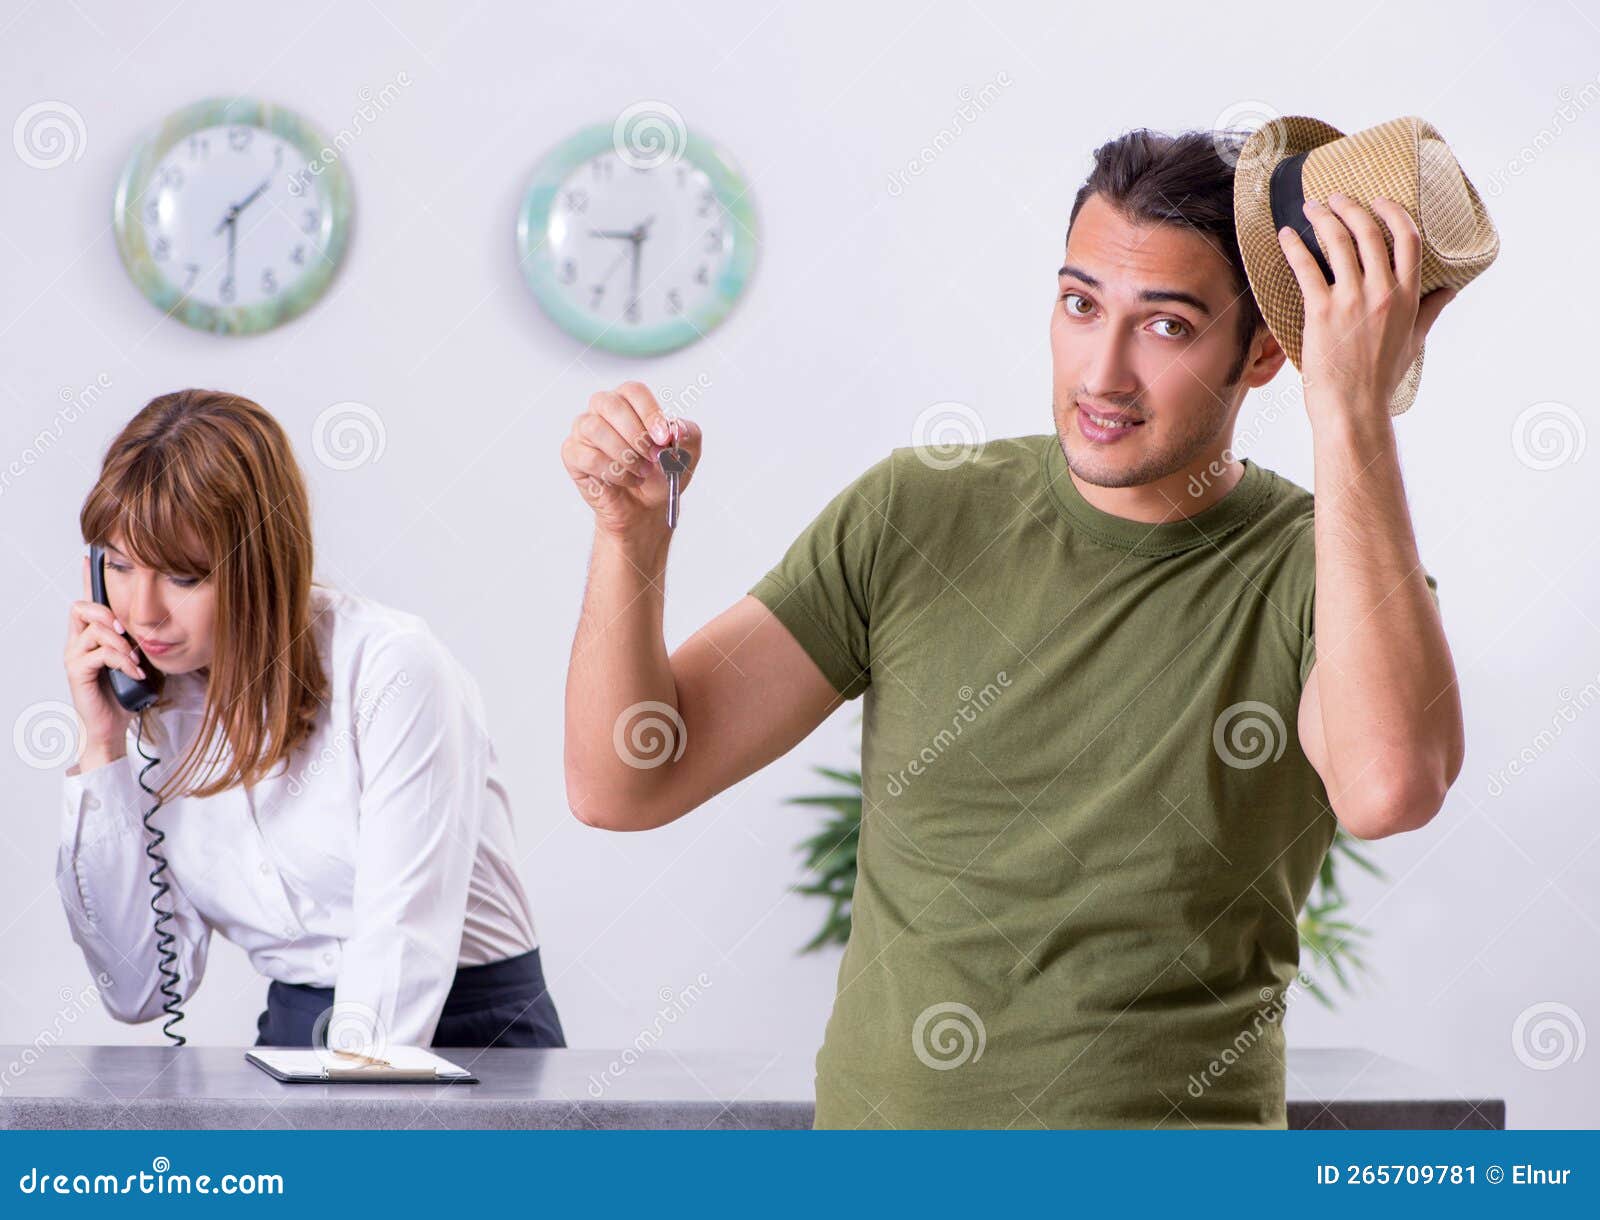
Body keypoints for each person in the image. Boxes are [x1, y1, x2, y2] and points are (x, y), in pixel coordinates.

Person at [559, 128, 1463, 1128]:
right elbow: (624, 782)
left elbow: (1387, 788)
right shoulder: (917, 512)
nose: (1103, 373)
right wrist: (630, 540)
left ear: (1261, 353)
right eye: (1081, 305)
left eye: (1165, 325)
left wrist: (1352, 414)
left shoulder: (1319, 567)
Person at [59, 389, 565, 1052]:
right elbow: (139, 990)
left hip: (464, 1032)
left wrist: (340, 1101)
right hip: (299, 1037)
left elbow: (401, 944)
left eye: (183, 578)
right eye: (121, 568)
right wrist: (103, 748)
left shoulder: (392, 669)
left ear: (258, 566)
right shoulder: (152, 708)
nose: (144, 611)